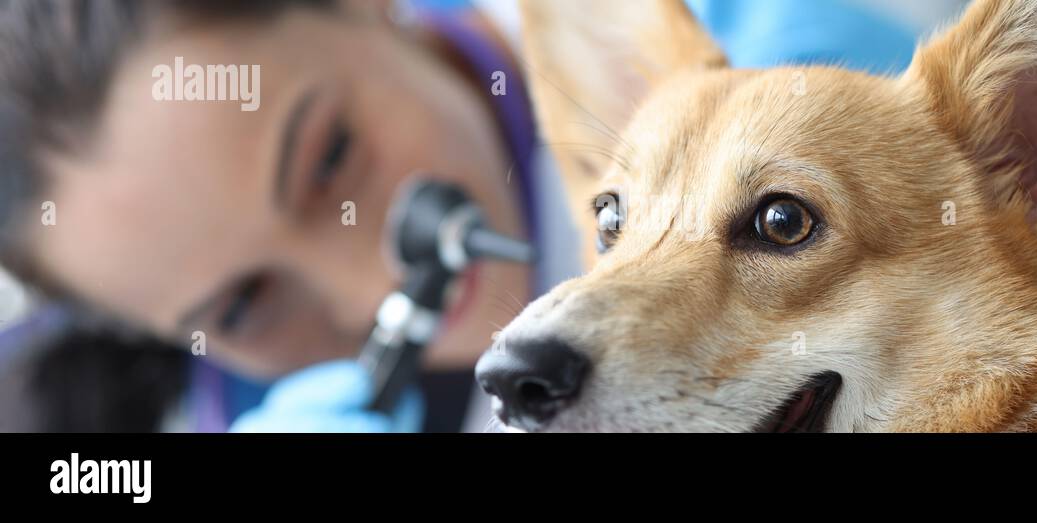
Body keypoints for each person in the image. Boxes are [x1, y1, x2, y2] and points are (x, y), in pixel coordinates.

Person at [0, 0, 914, 432]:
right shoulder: (203, 409)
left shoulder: (805, 91)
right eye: (243, 306)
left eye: (327, 158)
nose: (382, 281)